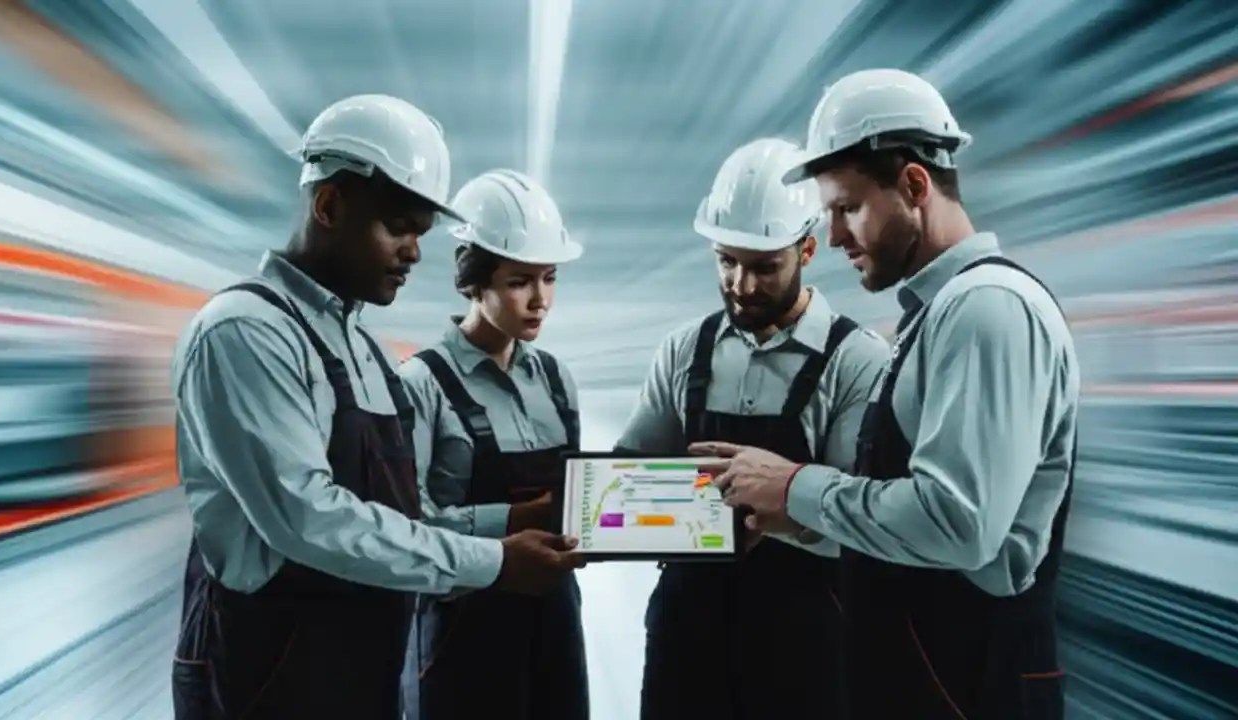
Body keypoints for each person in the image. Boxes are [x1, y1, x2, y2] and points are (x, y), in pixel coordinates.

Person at [169, 95, 585, 720]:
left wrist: (516, 522)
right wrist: (494, 562)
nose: (415, 252)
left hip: (359, 673)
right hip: (265, 680)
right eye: (399, 227)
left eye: (421, 233)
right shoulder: (244, 333)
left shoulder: (364, 349)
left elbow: (401, 516)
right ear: (330, 205)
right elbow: (309, 519)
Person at [701, 68, 1081, 720]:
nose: (839, 235)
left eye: (847, 208)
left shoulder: (986, 309)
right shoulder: (937, 317)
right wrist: (802, 525)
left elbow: (959, 527)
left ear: (913, 184)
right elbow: (917, 527)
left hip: (971, 687)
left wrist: (798, 487)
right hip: (926, 677)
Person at [615, 137, 891, 720]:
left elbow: (863, 518)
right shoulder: (683, 351)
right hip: (685, 637)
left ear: (808, 249)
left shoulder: (857, 361)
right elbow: (623, 489)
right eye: (726, 262)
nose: (741, 285)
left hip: (804, 647)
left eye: (764, 268)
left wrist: (770, 512)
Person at [399, 169, 590, 720]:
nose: (540, 300)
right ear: (473, 279)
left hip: (554, 621)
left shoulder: (556, 381)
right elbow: (404, 530)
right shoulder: (421, 385)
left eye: (550, 278)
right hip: (462, 634)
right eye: (519, 281)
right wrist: (513, 519)